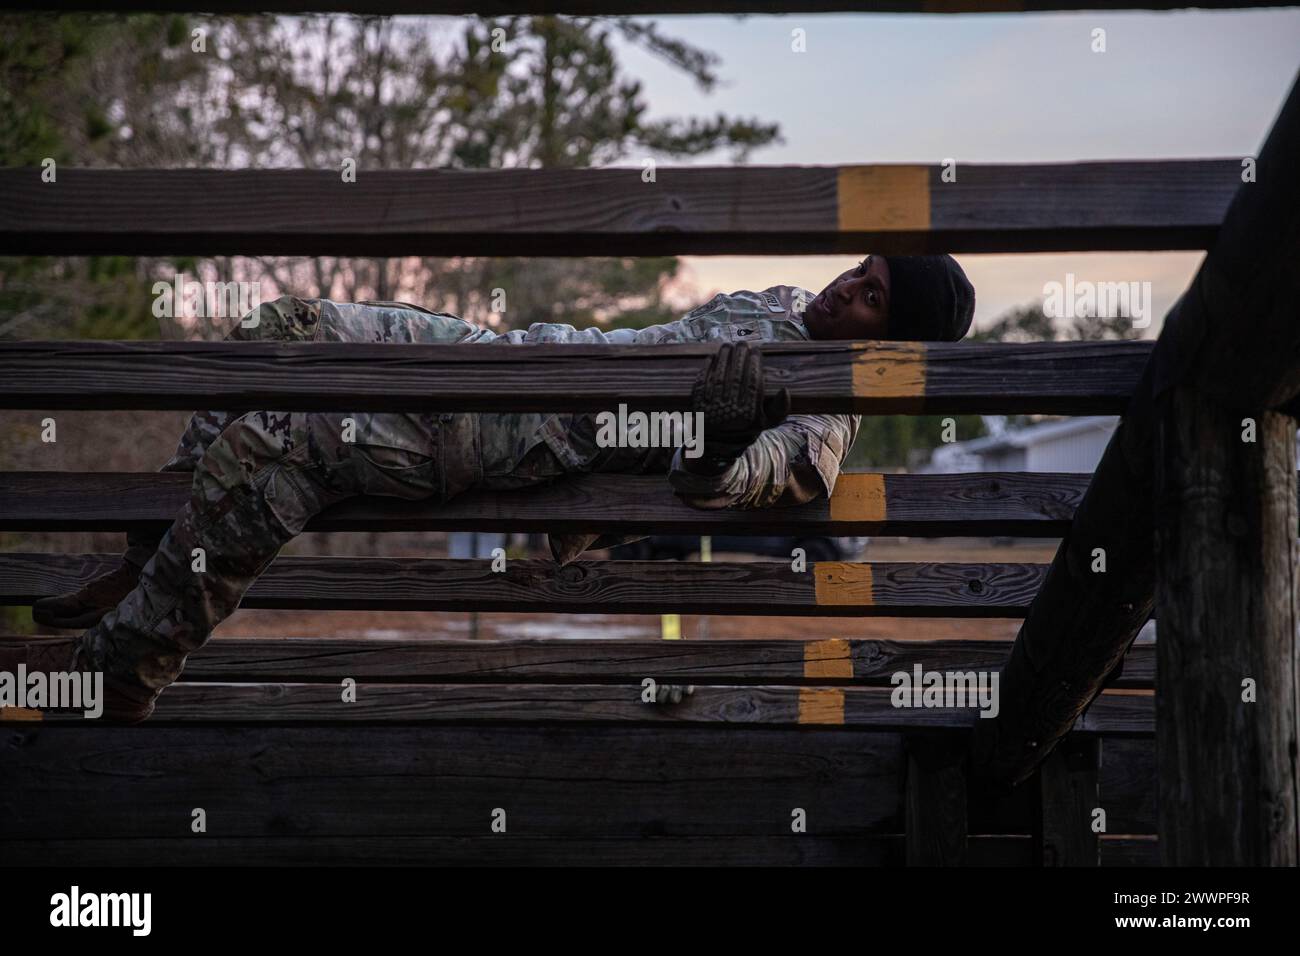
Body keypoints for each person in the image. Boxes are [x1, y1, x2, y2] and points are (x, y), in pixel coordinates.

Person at [31, 254, 975, 721]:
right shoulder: (784, 309)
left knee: (277, 437)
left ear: (887, 346)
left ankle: (123, 676)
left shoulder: (817, 429)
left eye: (874, 299)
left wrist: (721, 435)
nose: (848, 286)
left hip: (525, 431)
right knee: (285, 321)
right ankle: (147, 560)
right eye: (865, 270)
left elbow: (731, 484)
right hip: (513, 354)